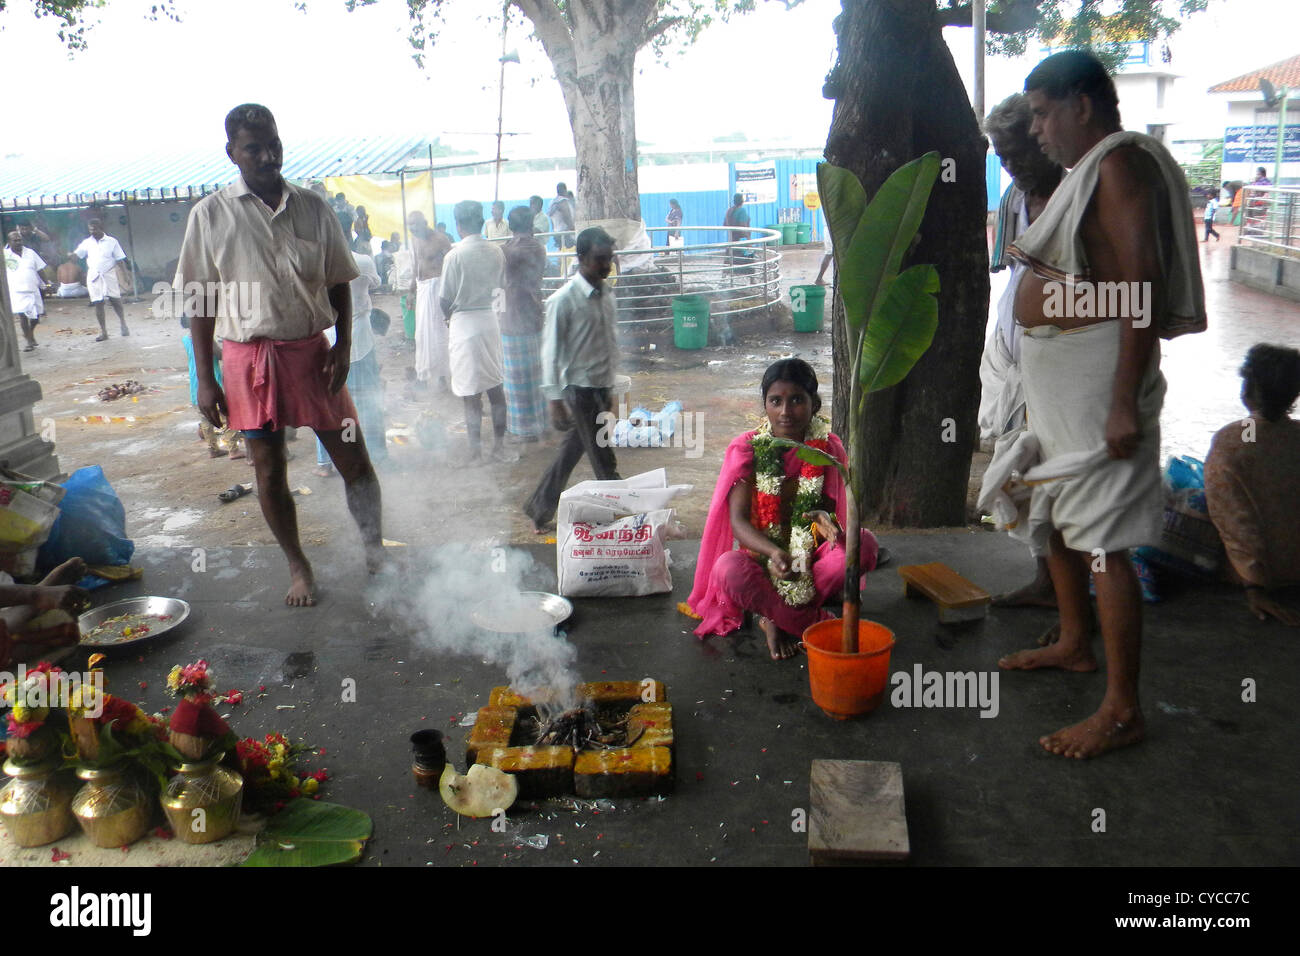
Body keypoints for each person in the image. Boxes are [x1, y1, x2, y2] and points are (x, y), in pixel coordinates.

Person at [998, 50, 1206, 759]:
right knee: (1054, 521)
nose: (1037, 131)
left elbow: (1139, 288)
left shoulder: (1118, 164)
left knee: (1104, 545)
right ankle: (1073, 641)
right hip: (1062, 398)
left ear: (1082, 104)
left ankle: (1122, 710)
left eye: (1043, 114)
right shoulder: (1082, 175)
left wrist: (1123, 402)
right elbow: (1096, 281)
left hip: (1098, 401)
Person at [175, 103, 383, 607]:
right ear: (232, 153)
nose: (268, 157)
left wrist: (345, 345)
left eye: (274, 145)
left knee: (355, 460)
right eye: (254, 148)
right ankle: (297, 565)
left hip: (313, 353)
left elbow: (339, 281)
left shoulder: (313, 206)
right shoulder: (210, 215)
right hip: (247, 360)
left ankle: (376, 553)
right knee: (268, 469)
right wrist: (207, 379)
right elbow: (200, 301)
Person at [686, 359, 880, 661]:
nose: (785, 412)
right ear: (765, 404)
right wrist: (774, 553)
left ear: (814, 404)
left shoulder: (827, 450)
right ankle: (815, 626)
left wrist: (826, 523)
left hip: (810, 561)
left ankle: (776, 618)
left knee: (864, 544)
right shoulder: (747, 449)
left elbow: (827, 514)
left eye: (796, 400)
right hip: (763, 561)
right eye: (776, 401)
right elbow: (738, 522)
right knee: (727, 569)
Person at [977, 92, 1064, 612]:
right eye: (1001, 156)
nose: (1010, 166)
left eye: (1016, 153)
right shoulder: (1013, 199)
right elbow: (1014, 273)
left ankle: (1064, 587)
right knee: (1020, 465)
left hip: (1058, 359)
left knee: (1054, 471)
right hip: (1011, 352)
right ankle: (1045, 577)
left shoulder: (1076, 200)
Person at [523, 227, 621, 533]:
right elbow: (550, 352)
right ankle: (628, 514)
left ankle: (538, 507)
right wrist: (554, 399)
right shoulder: (562, 300)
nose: (606, 266)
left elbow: (610, 344)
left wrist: (613, 389)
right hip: (580, 390)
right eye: (599, 260)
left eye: (609, 259)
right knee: (604, 460)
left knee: (572, 450)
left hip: (601, 387)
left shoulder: (607, 295)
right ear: (580, 258)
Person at [1205, 344, 1300, 626]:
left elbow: (1234, 518)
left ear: (1249, 388)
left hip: (1253, 574)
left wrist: (1255, 586)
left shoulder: (1232, 440)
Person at [438, 200, 515, 463]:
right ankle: (499, 447)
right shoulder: (496, 252)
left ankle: (475, 451)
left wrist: (449, 319)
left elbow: (444, 299)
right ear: (482, 222)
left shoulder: (454, 255)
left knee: (470, 393)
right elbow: (500, 290)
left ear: (458, 226)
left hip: (464, 325)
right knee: (495, 387)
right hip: (489, 321)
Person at [316, 237, 386, 476]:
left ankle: (325, 462)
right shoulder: (364, 261)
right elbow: (376, 283)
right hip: (360, 339)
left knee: (329, 404)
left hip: (328, 340)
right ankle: (376, 453)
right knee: (367, 400)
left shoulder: (317, 262)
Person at [501, 205, 548, 443]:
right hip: (534, 312)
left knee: (517, 377)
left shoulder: (509, 251)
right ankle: (540, 422)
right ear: (531, 224)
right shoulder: (538, 247)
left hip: (513, 315)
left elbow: (501, 279)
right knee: (536, 373)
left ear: (510, 225)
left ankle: (523, 429)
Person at [406, 210, 452, 390]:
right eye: (409, 226)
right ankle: (423, 375)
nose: (412, 229)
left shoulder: (441, 239)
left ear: (425, 223)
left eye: (415, 225)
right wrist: (411, 291)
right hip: (423, 288)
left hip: (438, 289)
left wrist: (450, 293)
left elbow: (451, 265)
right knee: (422, 335)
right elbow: (415, 266)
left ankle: (443, 377)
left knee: (440, 334)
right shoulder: (414, 239)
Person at [72, 218, 130, 340]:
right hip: (94, 275)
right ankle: (104, 332)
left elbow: (120, 260)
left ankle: (123, 323)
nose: (93, 232)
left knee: (115, 300)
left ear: (101, 228)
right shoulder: (87, 242)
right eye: (91, 230)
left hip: (109, 274)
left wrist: (125, 275)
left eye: (95, 229)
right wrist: (72, 255)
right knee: (98, 302)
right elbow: (77, 255)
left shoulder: (112, 241)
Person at [5, 230, 49, 351]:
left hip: (33, 289)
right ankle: (29, 341)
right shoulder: (4, 255)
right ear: (9, 242)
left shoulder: (30, 253)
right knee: (23, 315)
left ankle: (29, 333)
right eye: (15, 240)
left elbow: (40, 269)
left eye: (20, 240)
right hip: (16, 291)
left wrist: (47, 282)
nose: (18, 242)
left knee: (36, 318)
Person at [548, 182, 575, 250]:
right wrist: (573, 229)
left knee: (562, 256)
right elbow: (567, 217)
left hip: (557, 234)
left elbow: (551, 220)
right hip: (566, 234)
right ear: (565, 190)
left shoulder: (552, 203)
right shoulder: (562, 201)